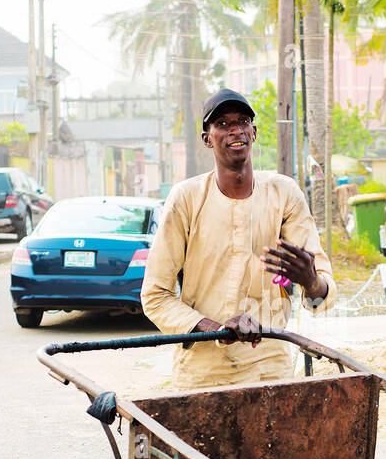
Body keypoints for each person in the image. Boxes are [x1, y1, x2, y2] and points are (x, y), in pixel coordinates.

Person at [141, 87, 336, 389]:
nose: (235, 130)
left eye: (243, 121)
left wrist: (310, 282)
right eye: (222, 124)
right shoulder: (187, 198)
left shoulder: (283, 193)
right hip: (203, 374)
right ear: (207, 138)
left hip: (271, 370)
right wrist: (213, 328)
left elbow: (322, 292)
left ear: (254, 132)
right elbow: (155, 296)